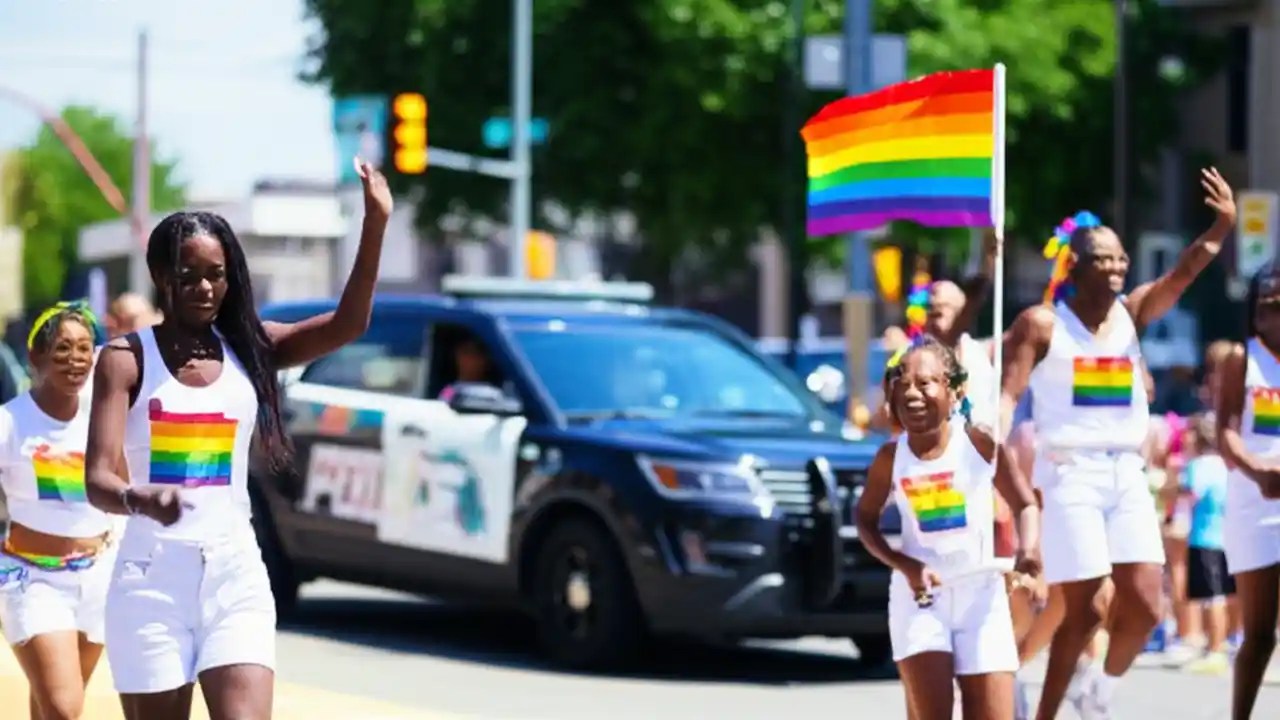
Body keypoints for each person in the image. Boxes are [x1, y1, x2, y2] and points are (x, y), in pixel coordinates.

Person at [82, 158, 392, 720]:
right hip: (151, 580)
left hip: (234, 572)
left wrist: (375, 223)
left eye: (217, 274)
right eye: (188, 275)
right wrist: (139, 498)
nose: (205, 287)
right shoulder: (125, 361)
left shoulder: (251, 348)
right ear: (159, 276)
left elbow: (349, 324)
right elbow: (98, 478)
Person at [999, 167, 1237, 719]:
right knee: (1086, 609)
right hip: (1070, 472)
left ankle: (1097, 691)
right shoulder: (1042, 324)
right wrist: (995, 429)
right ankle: (1043, 713)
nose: (1115, 267)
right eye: (1102, 258)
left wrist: (1222, 227)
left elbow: (1182, 274)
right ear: (1075, 268)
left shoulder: (1131, 313)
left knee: (1149, 606)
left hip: (1127, 474)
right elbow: (1009, 395)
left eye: (1120, 258)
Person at [855, 335, 1041, 720]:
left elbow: (1025, 503)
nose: (912, 394)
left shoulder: (980, 445)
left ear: (954, 391)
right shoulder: (890, 458)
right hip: (922, 598)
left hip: (982, 596)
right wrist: (905, 565)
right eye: (902, 383)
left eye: (925, 384)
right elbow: (865, 520)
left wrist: (1029, 550)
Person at [0, 301, 118, 720]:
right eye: (63, 348)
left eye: (85, 348)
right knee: (65, 708)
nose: (76, 359)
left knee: (52, 706)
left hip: (96, 576)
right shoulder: (10, 423)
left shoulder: (102, 418)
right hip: (31, 579)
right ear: (36, 357)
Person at [1215, 261, 1280, 719]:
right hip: (1256, 502)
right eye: (1265, 302)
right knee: (1260, 634)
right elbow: (1226, 431)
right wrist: (1257, 469)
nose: (1273, 309)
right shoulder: (1243, 358)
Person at [1174, 413, 1234, 675]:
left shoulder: (1198, 465)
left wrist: (1169, 487)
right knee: (1219, 595)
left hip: (1205, 537)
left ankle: (1216, 650)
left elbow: (1191, 493)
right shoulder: (1225, 464)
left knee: (1212, 598)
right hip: (1226, 536)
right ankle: (1216, 646)